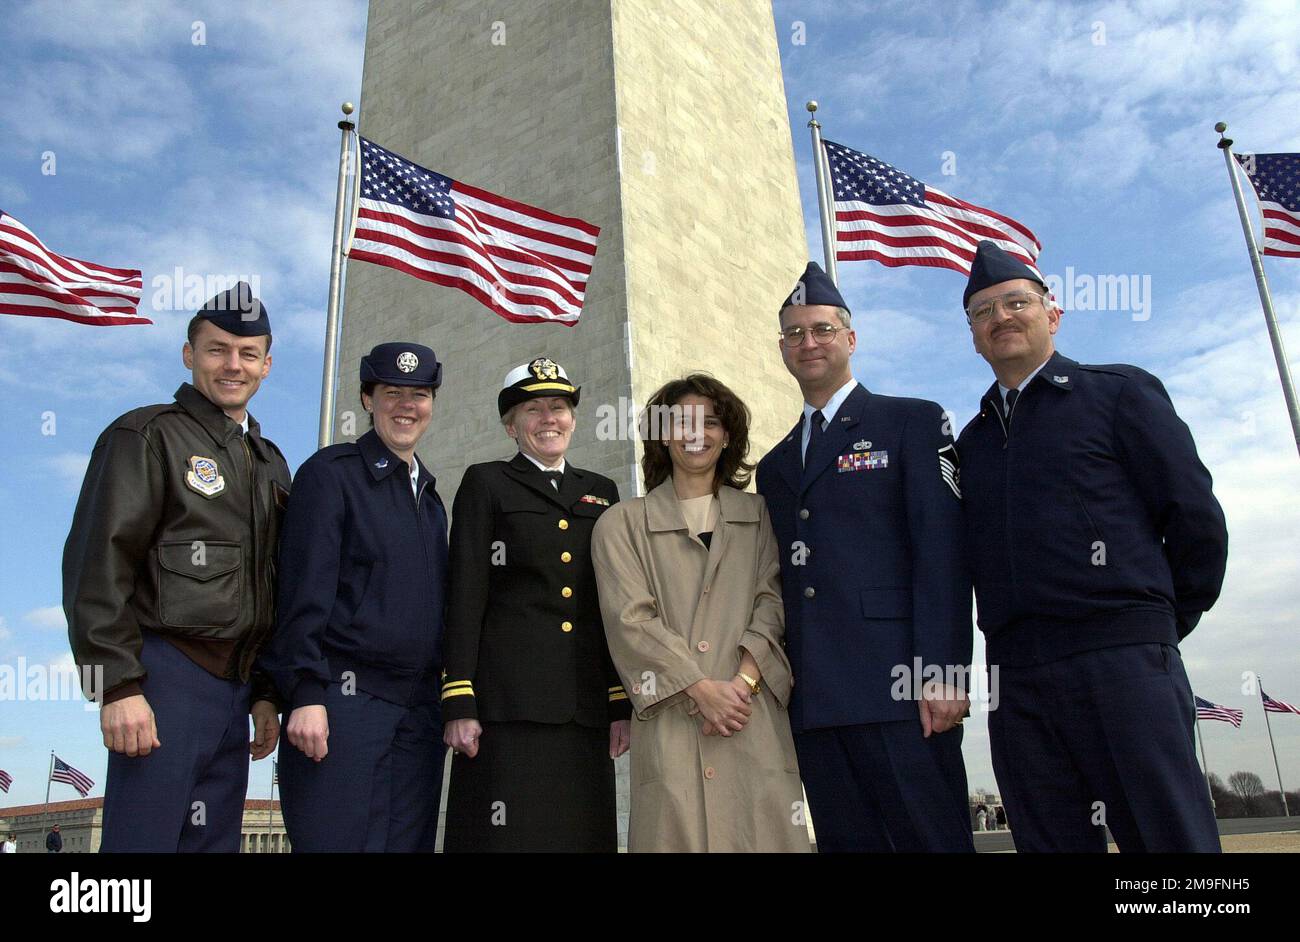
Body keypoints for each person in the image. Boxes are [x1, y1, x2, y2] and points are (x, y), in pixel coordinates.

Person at [956, 240, 1229, 853]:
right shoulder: (971, 443)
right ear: (973, 336)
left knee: (1169, 845)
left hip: (1123, 663)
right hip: (1017, 679)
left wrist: (1154, 624)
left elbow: (1195, 519)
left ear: (1052, 313)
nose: (1001, 317)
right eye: (983, 311)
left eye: (1016, 302)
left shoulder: (1119, 394)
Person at [756, 262, 975, 853]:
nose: (809, 342)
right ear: (782, 348)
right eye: (795, 333)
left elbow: (942, 552)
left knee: (931, 841)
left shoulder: (912, 421)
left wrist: (946, 671)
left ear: (850, 338)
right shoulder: (775, 466)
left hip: (901, 688)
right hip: (816, 699)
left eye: (822, 329)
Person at [63, 284, 289, 853]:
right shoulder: (147, 434)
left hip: (236, 690)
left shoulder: (271, 464)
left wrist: (265, 692)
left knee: (213, 845)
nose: (233, 365)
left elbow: (272, 586)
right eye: (217, 350)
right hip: (164, 676)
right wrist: (116, 685)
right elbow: (98, 562)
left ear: (266, 364)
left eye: (247, 353)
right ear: (189, 355)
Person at [592, 375, 809, 853]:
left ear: (727, 435)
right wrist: (700, 689)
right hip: (673, 720)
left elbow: (772, 603)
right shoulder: (620, 524)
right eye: (682, 422)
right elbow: (630, 622)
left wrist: (741, 685)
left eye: (710, 422)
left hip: (750, 715)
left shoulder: (761, 515)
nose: (697, 433)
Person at [260, 343, 449, 852]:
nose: (406, 406)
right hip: (345, 705)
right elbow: (301, 592)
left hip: (418, 715)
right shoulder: (331, 474)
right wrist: (305, 693)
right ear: (368, 399)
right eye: (392, 393)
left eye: (419, 394)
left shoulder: (431, 500)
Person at [441, 357, 630, 852]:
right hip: (508, 707)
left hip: (584, 708)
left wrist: (618, 700)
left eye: (559, 407)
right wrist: (459, 698)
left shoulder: (601, 492)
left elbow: (609, 604)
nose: (549, 418)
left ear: (573, 419)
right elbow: (465, 594)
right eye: (533, 409)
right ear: (511, 425)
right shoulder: (486, 483)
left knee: (581, 837)